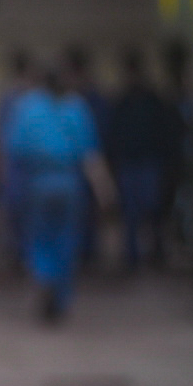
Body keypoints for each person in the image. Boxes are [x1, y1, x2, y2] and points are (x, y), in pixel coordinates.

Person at [3, 65, 114, 322]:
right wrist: (104, 191)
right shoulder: (76, 108)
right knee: (65, 238)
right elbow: (91, 155)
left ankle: (44, 277)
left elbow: (15, 148)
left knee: (40, 236)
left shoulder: (27, 107)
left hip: (38, 180)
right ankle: (61, 295)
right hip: (68, 181)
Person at [105, 48, 173, 270]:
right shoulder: (123, 102)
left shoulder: (151, 100)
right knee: (132, 213)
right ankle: (133, 256)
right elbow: (115, 133)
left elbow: (162, 132)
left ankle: (157, 252)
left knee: (153, 210)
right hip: (131, 163)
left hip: (148, 162)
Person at [64, 45, 108, 265]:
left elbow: (94, 144)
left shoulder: (86, 102)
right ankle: (79, 253)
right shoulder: (68, 104)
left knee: (88, 213)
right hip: (71, 171)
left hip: (87, 165)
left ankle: (87, 253)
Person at [0, 51, 37, 267]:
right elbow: (0, 133)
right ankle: (17, 251)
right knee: (14, 209)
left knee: (30, 210)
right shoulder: (9, 99)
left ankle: (27, 253)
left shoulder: (35, 100)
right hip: (15, 162)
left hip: (31, 164)